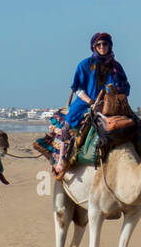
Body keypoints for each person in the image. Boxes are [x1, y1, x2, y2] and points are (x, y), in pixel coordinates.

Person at [54, 32, 131, 176]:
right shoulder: (85, 65)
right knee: (68, 123)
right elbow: (77, 87)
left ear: (110, 46)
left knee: (135, 124)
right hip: (87, 102)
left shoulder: (116, 67)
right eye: (99, 44)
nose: (102, 47)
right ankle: (62, 159)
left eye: (105, 44)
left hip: (111, 103)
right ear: (94, 47)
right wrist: (90, 101)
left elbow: (126, 86)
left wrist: (117, 92)